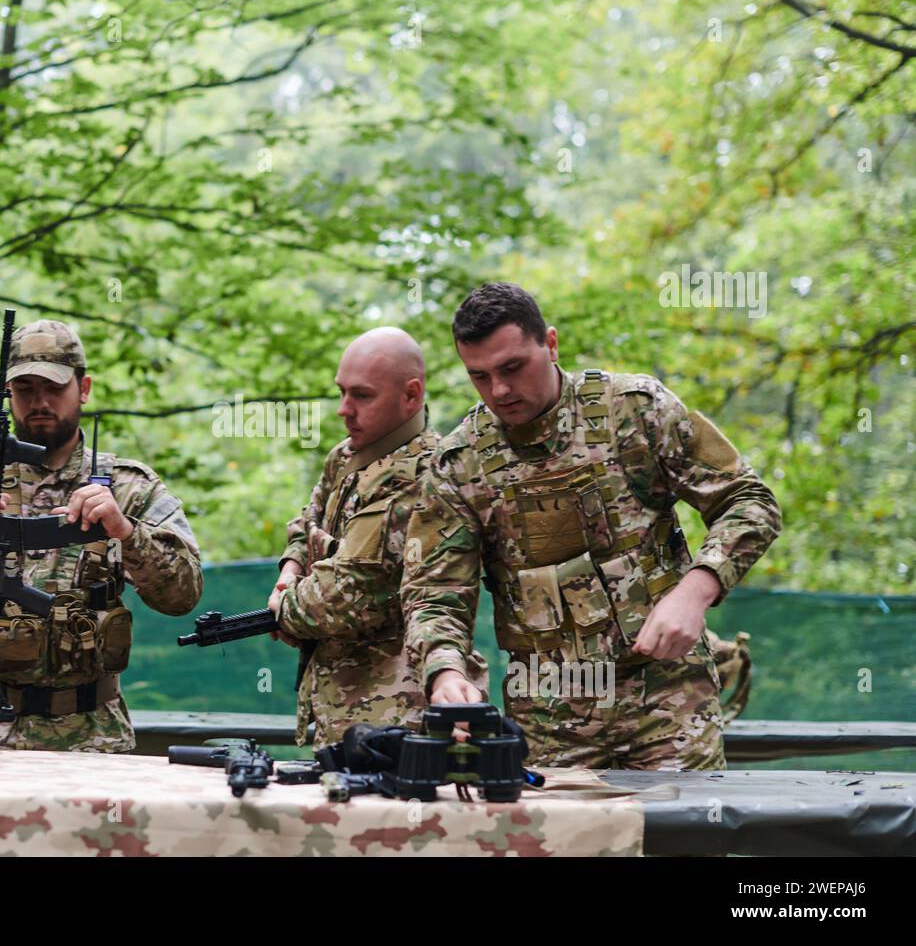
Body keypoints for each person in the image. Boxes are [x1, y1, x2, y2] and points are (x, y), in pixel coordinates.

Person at [401, 282, 781, 769]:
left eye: (513, 367)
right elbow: (433, 593)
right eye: (480, 376)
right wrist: (444, 670)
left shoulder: (635, 411)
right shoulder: (458, 464)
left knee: (684, 837)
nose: (499, 390)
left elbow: (749, 500)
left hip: (668, 702)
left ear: (551, 344)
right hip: (549, 719)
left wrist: (695, 591)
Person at [0, 320, 202, 752]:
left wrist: (126, 533)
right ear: (8, 396)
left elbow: (183, 596)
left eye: (54, 387)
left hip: (89, 733)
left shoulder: (129, 486)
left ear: (84, 388)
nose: (40, 401)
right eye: (25, 389)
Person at [270, 327, 487, 747]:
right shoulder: (348, 457)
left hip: (398, 716)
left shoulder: (429, 477)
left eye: (362, 396)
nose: (343, 410)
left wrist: (284, 608)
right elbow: (307, 520)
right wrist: (290, 570)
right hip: (338, 707)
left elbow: (345, 596)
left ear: (411, 395)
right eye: (342, 392)